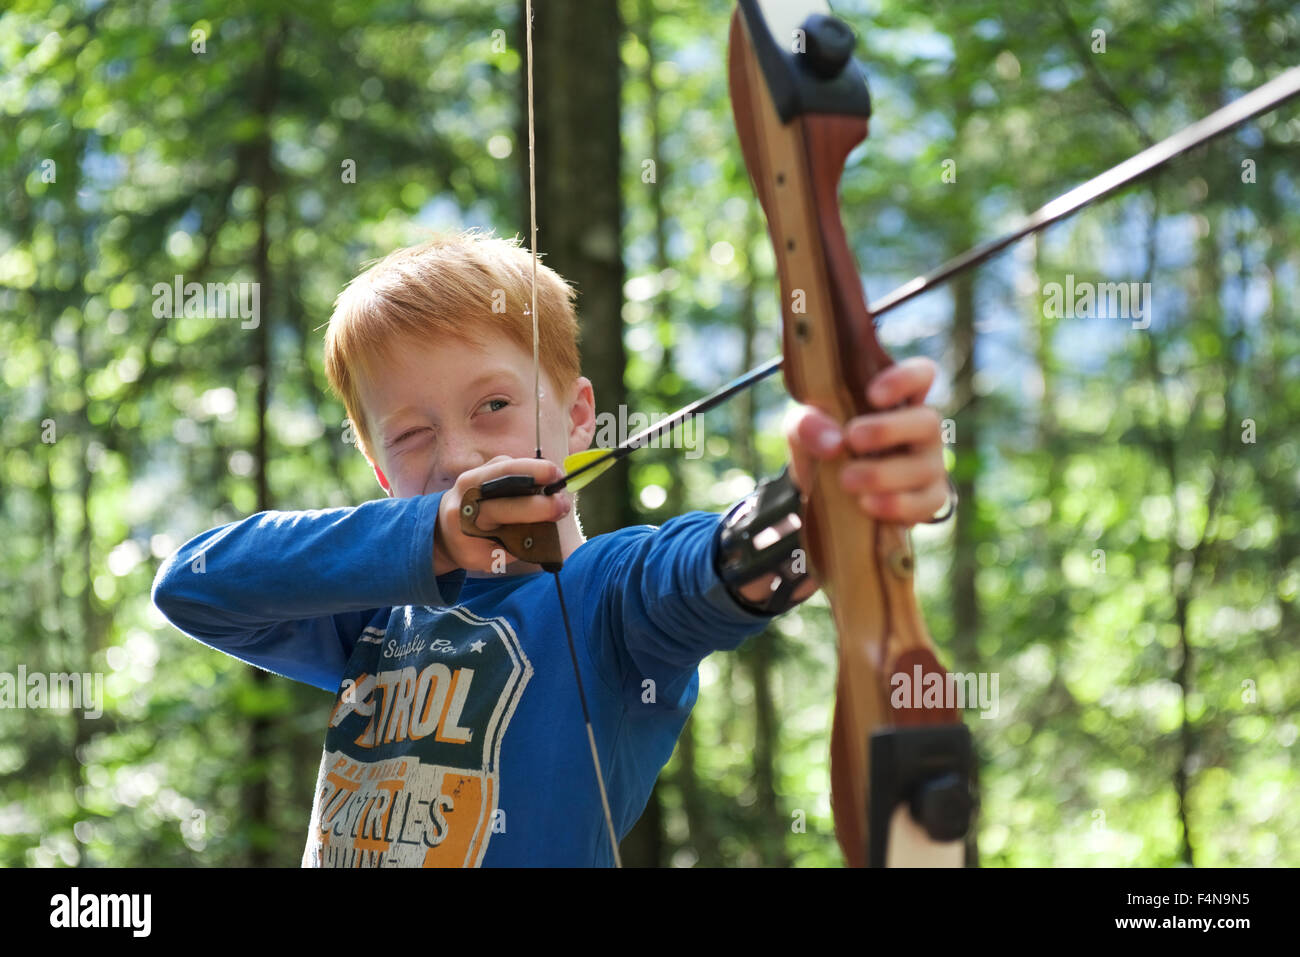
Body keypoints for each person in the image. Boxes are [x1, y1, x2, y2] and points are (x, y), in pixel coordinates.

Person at [151, 230, 952, 867]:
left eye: (493, 404)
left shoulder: (606, 596)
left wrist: (820, 511)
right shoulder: (370, 613)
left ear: (576, 419)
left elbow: (706, 568)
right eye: (412, 432)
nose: (461, 454)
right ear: (378, 471)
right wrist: (426, 535)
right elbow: (193, 583)